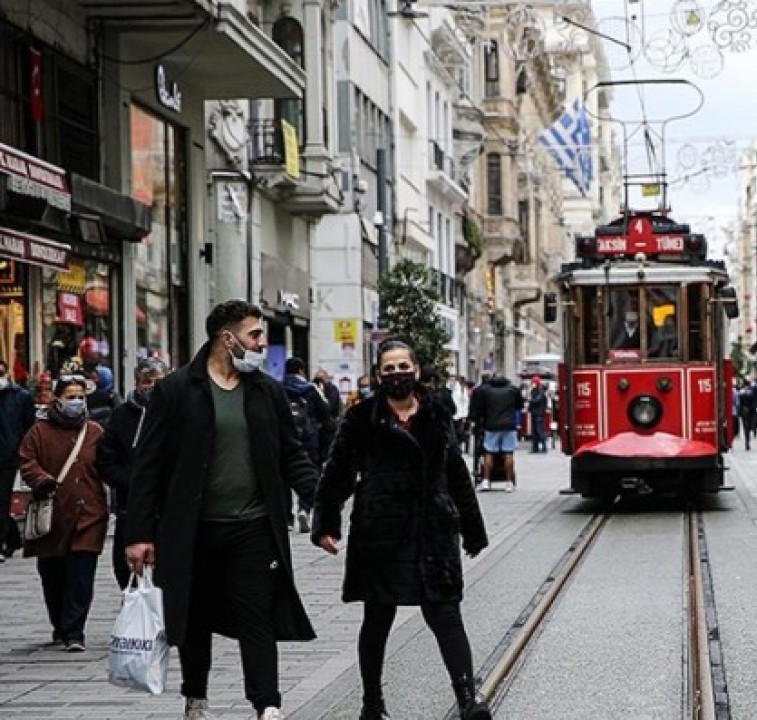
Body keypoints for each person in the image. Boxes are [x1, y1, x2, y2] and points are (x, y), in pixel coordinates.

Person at [124, 300, 319, 720]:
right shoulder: (176, 390)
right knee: (194, 619)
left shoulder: (267, 392)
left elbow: (292, 455)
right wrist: (138, 534)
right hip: (192, 529)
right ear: (226, 338)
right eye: (254, 335)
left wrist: (322, 497)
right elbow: (148, 468)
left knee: (257, 615)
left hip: (252, 527)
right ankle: (195, 697)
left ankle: (267, 703)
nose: (261, 344)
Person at [313, 340, 491, 720]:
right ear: (379, 375)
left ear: (416, 369)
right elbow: (337, 472)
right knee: (378, 618)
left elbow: (455, 472)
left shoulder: (437, 413)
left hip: (432, 531)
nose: (397, 375)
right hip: (381, 532)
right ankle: (372, 703)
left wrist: (473, 528)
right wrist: (326, 524)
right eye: (389, 369)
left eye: (403, 366)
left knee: (446, 615)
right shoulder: (362, 418)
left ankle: (467, 700)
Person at [19, 375, 106, 652]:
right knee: (54, 576)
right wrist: (41, 479)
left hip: (89, 514)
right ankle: (60, 623)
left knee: (82, 575)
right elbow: (26, 461)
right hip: (52, 515)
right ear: (57, 398)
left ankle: (74, 631)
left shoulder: (94, 432)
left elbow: (109, 464)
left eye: (80, 396)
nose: (76, 402)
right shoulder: (39, 432)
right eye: (70, 396)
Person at [97, 359, 168, 590]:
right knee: (127, 571)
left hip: (168, 509)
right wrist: (131, 480)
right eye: (147, 382)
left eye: (158, 382)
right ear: (137, 383)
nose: (152, 387)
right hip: (130, 506)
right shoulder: (121, 416)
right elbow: (106, 461)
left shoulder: (178, 413)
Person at [283, 357, 336, 534]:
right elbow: (325, 411)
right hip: (308, 436)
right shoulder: (310, 388)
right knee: (308, 470)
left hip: (285, 437)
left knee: (284, 475)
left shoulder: (277, 387)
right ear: (301, 370)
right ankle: (304, 509)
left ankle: (287, 518)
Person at [0, 359, 35, 559]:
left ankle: (3, 542)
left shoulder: (20, 397)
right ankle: (12, 537)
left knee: (2, 499)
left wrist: (20, 449)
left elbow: (29, 426)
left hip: (9, 456)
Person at [468, 372, 523, 491]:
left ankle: (486, 480)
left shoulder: (487, 391)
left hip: (491, 425)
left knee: (489, 452)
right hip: (508, 425)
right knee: (508, 453)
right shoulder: (512, 390)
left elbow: (481, 409)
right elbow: (519, 406)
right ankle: (509, 482)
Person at [527, 376, 549, 453]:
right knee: (535, 432)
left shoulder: (540, 391)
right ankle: (535, 448)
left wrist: (530, 400)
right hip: (535, 413)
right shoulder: (534, 391)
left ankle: (544, 447)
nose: (532, 384)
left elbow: (537, 400)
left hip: (538, 413)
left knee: (539, 430)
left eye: (533, 382)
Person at [450, 375, 471, 451]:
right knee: (457, 431)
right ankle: (458, 445)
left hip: (460, 414)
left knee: (460, 431)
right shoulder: (455, 388)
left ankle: (460, 444)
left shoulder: (463, 390)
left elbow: (466, 401)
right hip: (457, 413)